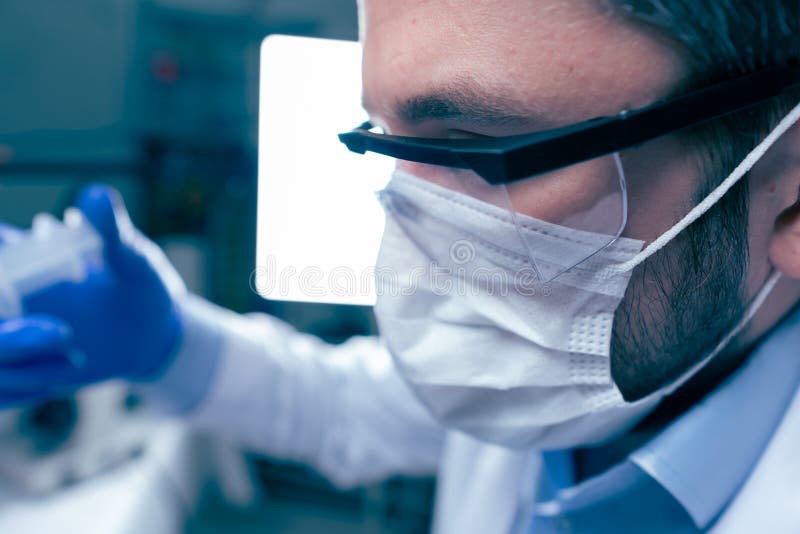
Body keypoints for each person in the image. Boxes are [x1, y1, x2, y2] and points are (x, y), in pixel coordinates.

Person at [2, 0, 800, 531]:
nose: (410, 223)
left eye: (482, 149)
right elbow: (346, 408)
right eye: (382, 140)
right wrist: (170, 345)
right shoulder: (550, 377)